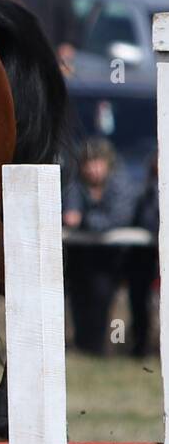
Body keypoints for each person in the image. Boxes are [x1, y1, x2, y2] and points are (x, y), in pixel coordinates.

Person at [62, 138, 135, 355]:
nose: (92, 169)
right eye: (88, 163)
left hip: (114, 259)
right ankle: (84, 345)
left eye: (97, 162)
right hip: (81, 258)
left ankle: (104, 346)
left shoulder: (120, 184)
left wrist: (84, 219)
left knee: (103, 297)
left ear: (107, 163)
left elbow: (119, 217)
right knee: (79, 298)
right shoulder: (75, 185)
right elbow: (69, 212)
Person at [123, 153, 158, 359]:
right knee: (140, 305)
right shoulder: (145, 190)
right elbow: (147, 221)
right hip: (146, 261)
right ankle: (139, 347)